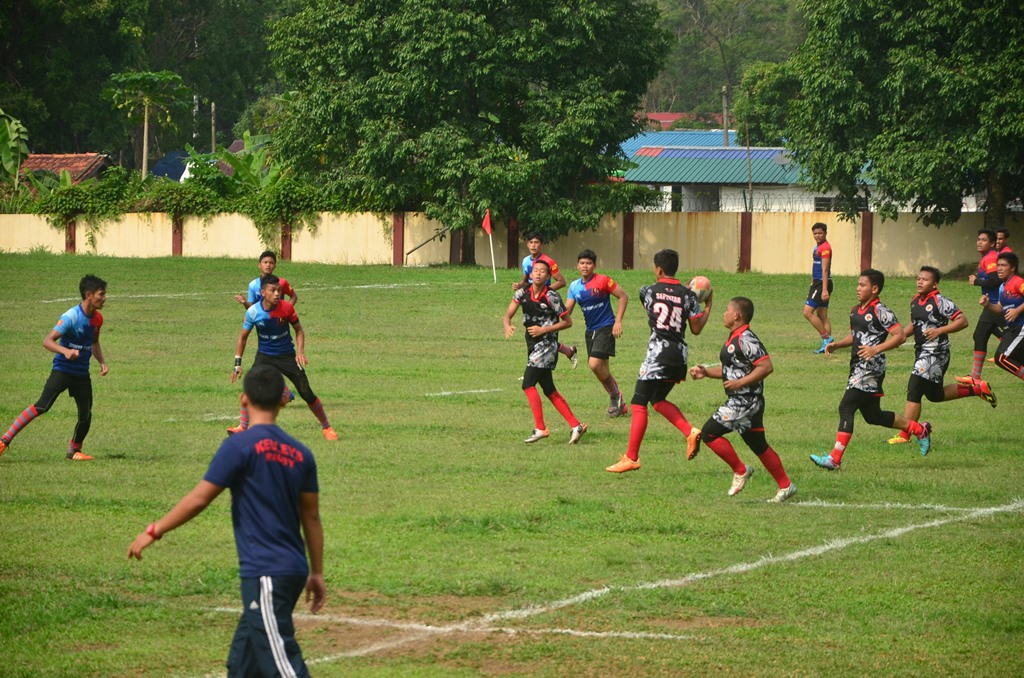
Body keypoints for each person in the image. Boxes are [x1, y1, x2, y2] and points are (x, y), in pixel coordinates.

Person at [128, 365, 325, 678]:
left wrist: (154, 530)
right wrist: (316, 572)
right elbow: (311, 518)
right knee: (243, 666)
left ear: (243, 399)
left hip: (265, 573)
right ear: (282, 401)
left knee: (284, 667)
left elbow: (199, 499)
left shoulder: (238, 446)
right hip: (292, 569)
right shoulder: (301, 453)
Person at [810, 269, 932, 470]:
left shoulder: (880, 310)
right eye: (858, 284)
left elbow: (899, 335)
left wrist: (877, 349)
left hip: (871, 368)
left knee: (846, 406)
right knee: (872, 415)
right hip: (857, 365)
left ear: (874, 289)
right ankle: (918, 429)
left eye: (862, 285)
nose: (858, 288)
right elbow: (856, 336)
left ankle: (834, 459)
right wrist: (838, 344)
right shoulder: (855, 310)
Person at [606, 249, 710, 473]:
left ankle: (631, 457)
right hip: (679, 356)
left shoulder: (648, 291)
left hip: (657, 355)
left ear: (658, 269)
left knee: (638, 403)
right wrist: (707, 306)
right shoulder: (689, 296)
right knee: (658, 399)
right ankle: (689, 432)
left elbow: (650, 304)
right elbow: (696, 328)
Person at [690, 297, 797, 502]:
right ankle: (785, 485)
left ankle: (740, 470)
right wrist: (706, 372)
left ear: (737, 315)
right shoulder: (734, 337)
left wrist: (740, 383)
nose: (724, 313)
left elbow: (766, 366)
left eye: (727, 310)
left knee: (709, 433)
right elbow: (731, 370)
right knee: (759, 446)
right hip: (747, 402)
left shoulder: (746, 338)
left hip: (745, 402)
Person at [0, 275, 108, 461]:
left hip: (82, 374)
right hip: (63, 371)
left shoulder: (97, 319)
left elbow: (94, 342)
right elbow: (47, 341)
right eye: (101, 294)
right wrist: (65, 351)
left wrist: (102, 361)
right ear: (89, 295)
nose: (105, 298)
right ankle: (4, 441)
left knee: (86, 414)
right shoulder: (71, 316)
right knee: (41, 406)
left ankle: (74, 451)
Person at [888, 267, 996, 446]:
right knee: (934, 394)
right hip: (922, 352)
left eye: (925, 279)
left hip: (936, 353)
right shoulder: (915, 301)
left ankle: (905, 434)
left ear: (935, 284)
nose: (920, 282)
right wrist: (900, 337)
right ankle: (977, 389)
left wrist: (939, 330)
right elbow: (915, 324)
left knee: (914, 387)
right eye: (918, 278)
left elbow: (962, 320)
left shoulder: (940, 301)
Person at [229, 274, 338, 441]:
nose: (277, 294)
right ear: (263, 292)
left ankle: (327, 428)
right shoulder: (253, 312)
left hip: (287, 356)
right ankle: (242, 427)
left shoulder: (287, 308)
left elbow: (299, 330)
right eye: (273, 290)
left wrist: (300, 352)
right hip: (264, 356)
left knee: (306, 392)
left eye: (279, 290)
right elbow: (242, 337)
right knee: (250, 387)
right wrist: (237, 364)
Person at [503, 259, 587, 444]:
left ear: (548, 277)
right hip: (532, 343)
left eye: (543, 271)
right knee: (549, 389)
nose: (539, 273)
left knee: (528, 383)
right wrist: (507, 324)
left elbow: (567, 322)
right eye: (535, 270)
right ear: (531, 275)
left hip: (547, 344)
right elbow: (508, 314)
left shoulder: (552, 296)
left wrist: (543, 330)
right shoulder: (522, 292)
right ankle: (576, 425)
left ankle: (540, 428)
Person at [564, 249, 630, 417]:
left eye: (588, 263)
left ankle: (616, 396)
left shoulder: (603, 281)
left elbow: (623, 296)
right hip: (590, 330)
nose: (585, 266)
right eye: (582, 263)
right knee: (601, 368)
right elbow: (567, 311)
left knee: (594, 365)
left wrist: (618, 321)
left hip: (606, 326)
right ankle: (619, 404)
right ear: (577, 265)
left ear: (594, 265)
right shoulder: (574, 286)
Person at [513, 231, 578, 367]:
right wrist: (519, 285)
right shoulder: (526, 261)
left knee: (545, 336)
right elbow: (526, 281)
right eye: (531, 242)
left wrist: (545, 294)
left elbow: (561, 281)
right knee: (535, 334)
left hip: (546, 304)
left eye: (536, 242)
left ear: (541, 245)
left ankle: (532, 369)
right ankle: (568, 352)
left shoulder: (548, 262)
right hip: (532, 301)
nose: (533, 245)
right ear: (527, 244)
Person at [964, 229, 1002, 380]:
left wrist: (976, 281)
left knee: (1010, 342)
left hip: (998, 306)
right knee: (980, 335)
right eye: (978, 239)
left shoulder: (991, 258)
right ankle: (975, 377)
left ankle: (975, 377)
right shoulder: (986, 257)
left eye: (984, 240)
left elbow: (995, 281)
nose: (979, 242)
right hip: (991, 306)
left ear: (992, 243)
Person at [983, 252, 1024, 381]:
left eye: (1003, 265)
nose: (999, 268)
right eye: (998, 265)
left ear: (1012, 268)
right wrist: (988, 304)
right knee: (1005, 358)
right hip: (1012, 329)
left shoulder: (1018, 282)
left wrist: (1017, 311)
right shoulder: (1002, 287)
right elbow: (1000, 308)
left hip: (1021, 327)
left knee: (1002, 358)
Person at [803, 222, 834, 354]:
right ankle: (827, 345)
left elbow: (825, 269)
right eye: (815, 233)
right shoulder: (818, 247)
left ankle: (826, 337)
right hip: (817, 282)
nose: (817, 235)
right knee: (822, 314)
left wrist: (825, 289)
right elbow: (816, 266)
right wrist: (812, 280)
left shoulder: (825, 247)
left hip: (822, 284)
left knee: (807, 312)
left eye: (820, 233)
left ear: (825, 233)